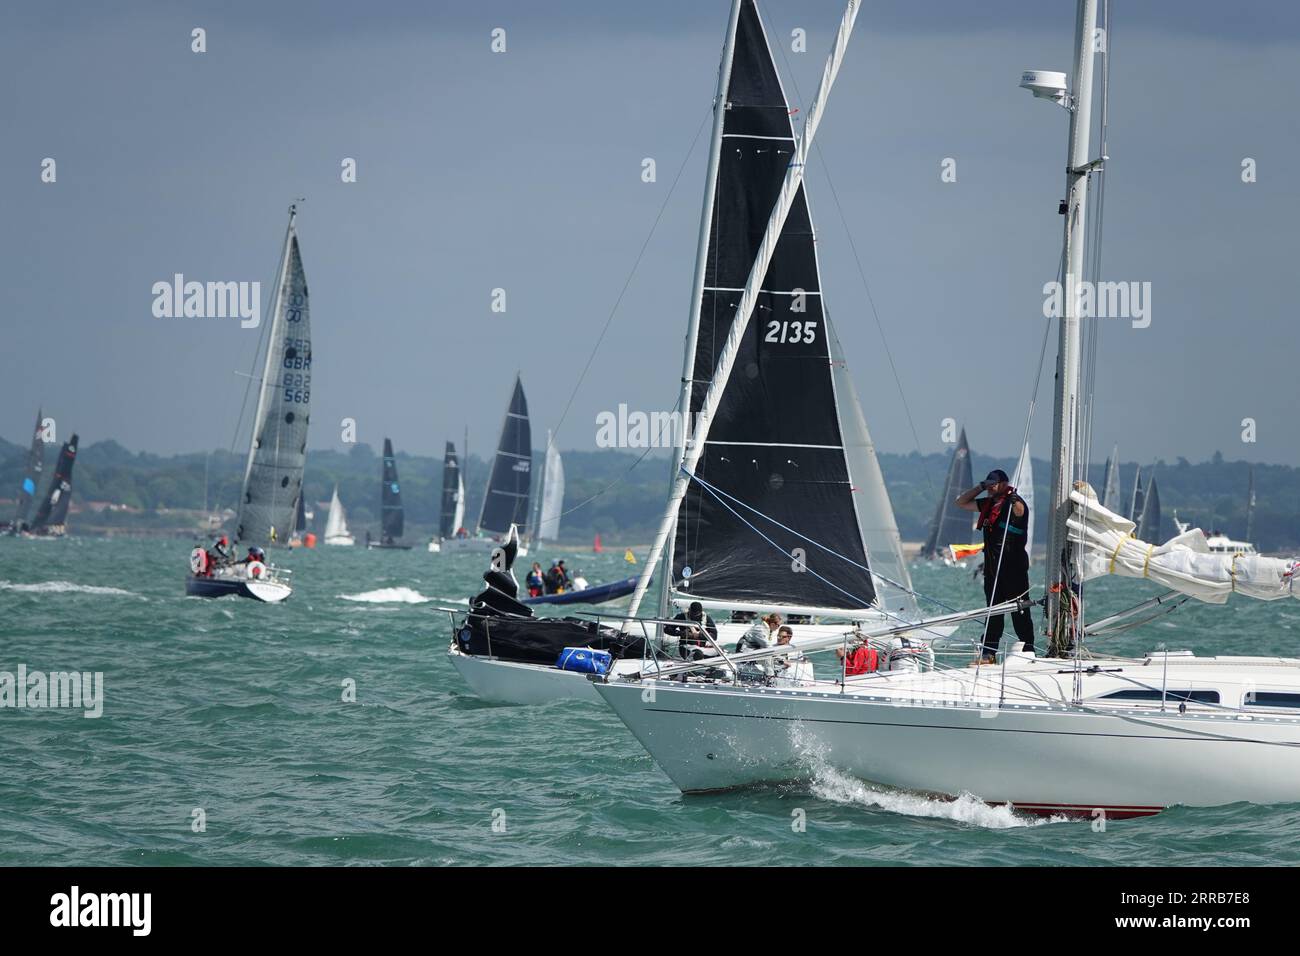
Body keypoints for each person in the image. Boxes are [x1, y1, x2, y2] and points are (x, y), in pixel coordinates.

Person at [956, 468, 1035, 662]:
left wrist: (1011, 497)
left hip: (1013, 568)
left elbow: (1021, 511)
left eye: (994, 483)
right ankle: (989, 653)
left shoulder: (1014, 503)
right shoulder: (988, 503)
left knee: (1019, 611)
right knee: (993, 612)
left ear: (1004, 484)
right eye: (989, 483)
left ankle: (1028, 650)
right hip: (992, 569)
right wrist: (981, 487)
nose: (991, 486)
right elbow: (961, 503)